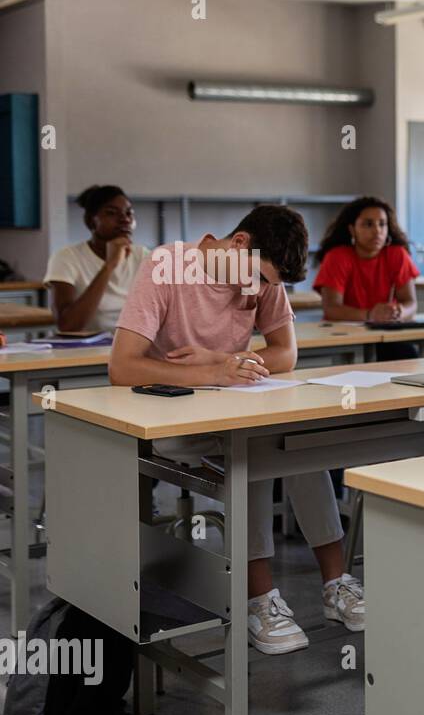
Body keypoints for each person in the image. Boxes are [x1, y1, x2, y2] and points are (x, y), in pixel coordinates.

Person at [109, 205, 364, 655]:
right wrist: (213, 372)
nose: (262, 291)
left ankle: (336, 584)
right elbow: (123, 365)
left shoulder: (261, 273)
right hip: (176, 422)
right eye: (262, 279)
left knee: (298, 442)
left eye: (271, 285)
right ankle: (260, 600)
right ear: (241, 243)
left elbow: (287, 353)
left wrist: (213, 364)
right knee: (255, 451)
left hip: (237, 410)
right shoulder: (167, 266)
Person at [314, 196, 421, 361]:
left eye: (382, 224)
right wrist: (370, 314)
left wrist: (399, 312)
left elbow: (411, 304)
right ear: (352, 229)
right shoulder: (337, 256)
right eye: (368, 224)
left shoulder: (397, 254)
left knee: (406, 356)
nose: (377, 231)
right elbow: (331, 309)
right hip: (343, 334)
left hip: (385, 333)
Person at [46, 185, 152, 333]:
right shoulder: (66, 258)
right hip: (87, 351)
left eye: (129, 213)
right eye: (111, 213)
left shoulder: (143, 256)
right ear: (91, 221)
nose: (125, 219)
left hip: (133, 347)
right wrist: (109, 266)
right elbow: (67, 325)